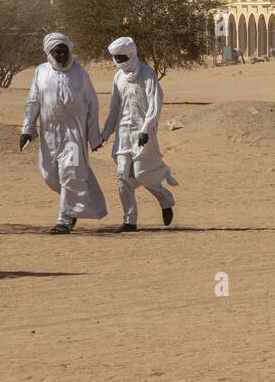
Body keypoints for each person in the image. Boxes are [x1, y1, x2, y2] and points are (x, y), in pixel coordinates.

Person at [21, 33, 109, 234]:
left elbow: (92, 104)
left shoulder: (79, 73)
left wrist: (94, 136)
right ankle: (74, 203)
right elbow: (33, 101)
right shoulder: (41, 72)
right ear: (49, 52)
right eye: (56, 51)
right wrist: (27, 128)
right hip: (49, 134)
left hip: (73, 134)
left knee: (70, 174)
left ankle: (64, 219)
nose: (61, 54)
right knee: (49, 175)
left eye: (64, 50)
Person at [98, 37, 178, 232]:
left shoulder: (148, 73)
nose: (119, 61)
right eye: (116, 57)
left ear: (132, 54)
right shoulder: (118, 77)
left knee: (142, 174)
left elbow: (155, 103)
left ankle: (165, 199)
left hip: (143, 133)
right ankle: (129, 221)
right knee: (121, 177)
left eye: (123, 56)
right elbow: (114, 109)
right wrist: (105, 134)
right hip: (123, 133)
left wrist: (146, 129)